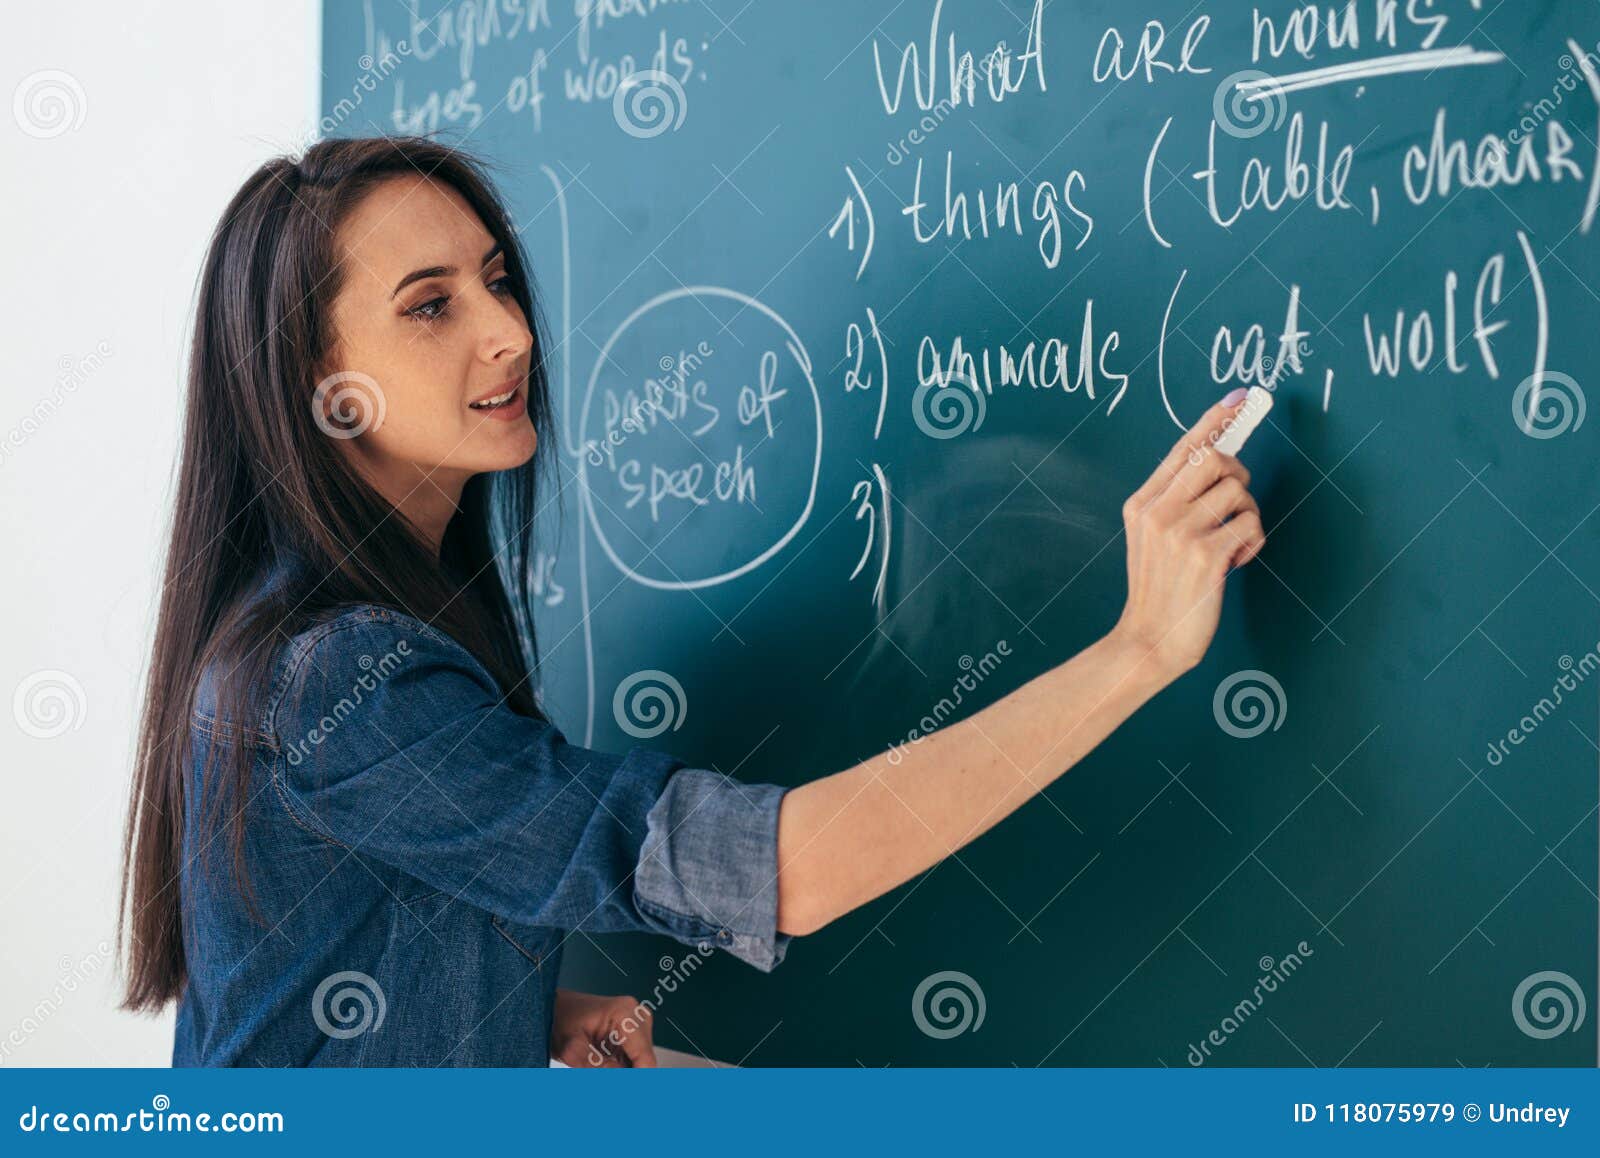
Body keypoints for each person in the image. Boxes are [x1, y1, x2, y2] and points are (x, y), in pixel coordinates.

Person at [117, 135, 1265, 1067]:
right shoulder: (339, 678)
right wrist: (1142, 645)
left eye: (497, 279)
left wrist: (507, 1016)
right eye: (431, 307)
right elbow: (790, 870)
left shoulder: (346, 630)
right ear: (322, 384)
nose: (511, 332)